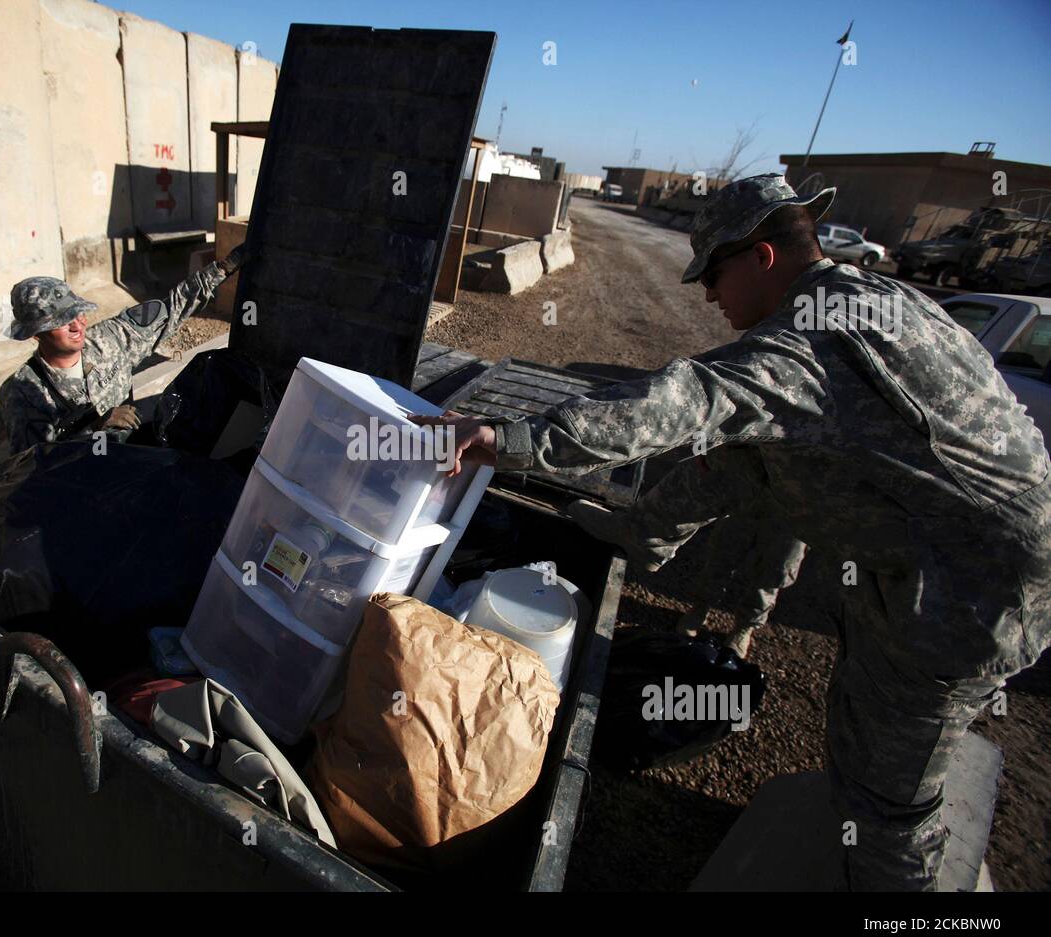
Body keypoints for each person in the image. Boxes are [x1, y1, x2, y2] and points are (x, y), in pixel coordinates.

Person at [417, 173, 1051, 891]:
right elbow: (742, 461)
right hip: (948, 557)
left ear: (761, 256)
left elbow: (685, 400)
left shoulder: (804, 346)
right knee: (857, 712)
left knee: (889, 799)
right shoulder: (879, 300)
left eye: (713, 275)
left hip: (965, 589)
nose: (709, 296)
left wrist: (507, 437)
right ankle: (645, 532)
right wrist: (645, 529)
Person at [0, 245, 250, 454]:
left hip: (133, 460)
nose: (77, 324)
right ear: (35, 334)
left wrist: (224, 268)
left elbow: (171, 309)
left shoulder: (111, 339)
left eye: (77, 313)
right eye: (61, 322)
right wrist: (95, 430)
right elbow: (33, 468)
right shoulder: (22, 392)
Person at [575, 447, 807, 658]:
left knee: (775, 569)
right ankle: (699, 607)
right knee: (724, 552)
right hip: (756, 481)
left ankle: (746, 626)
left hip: (801, 504)